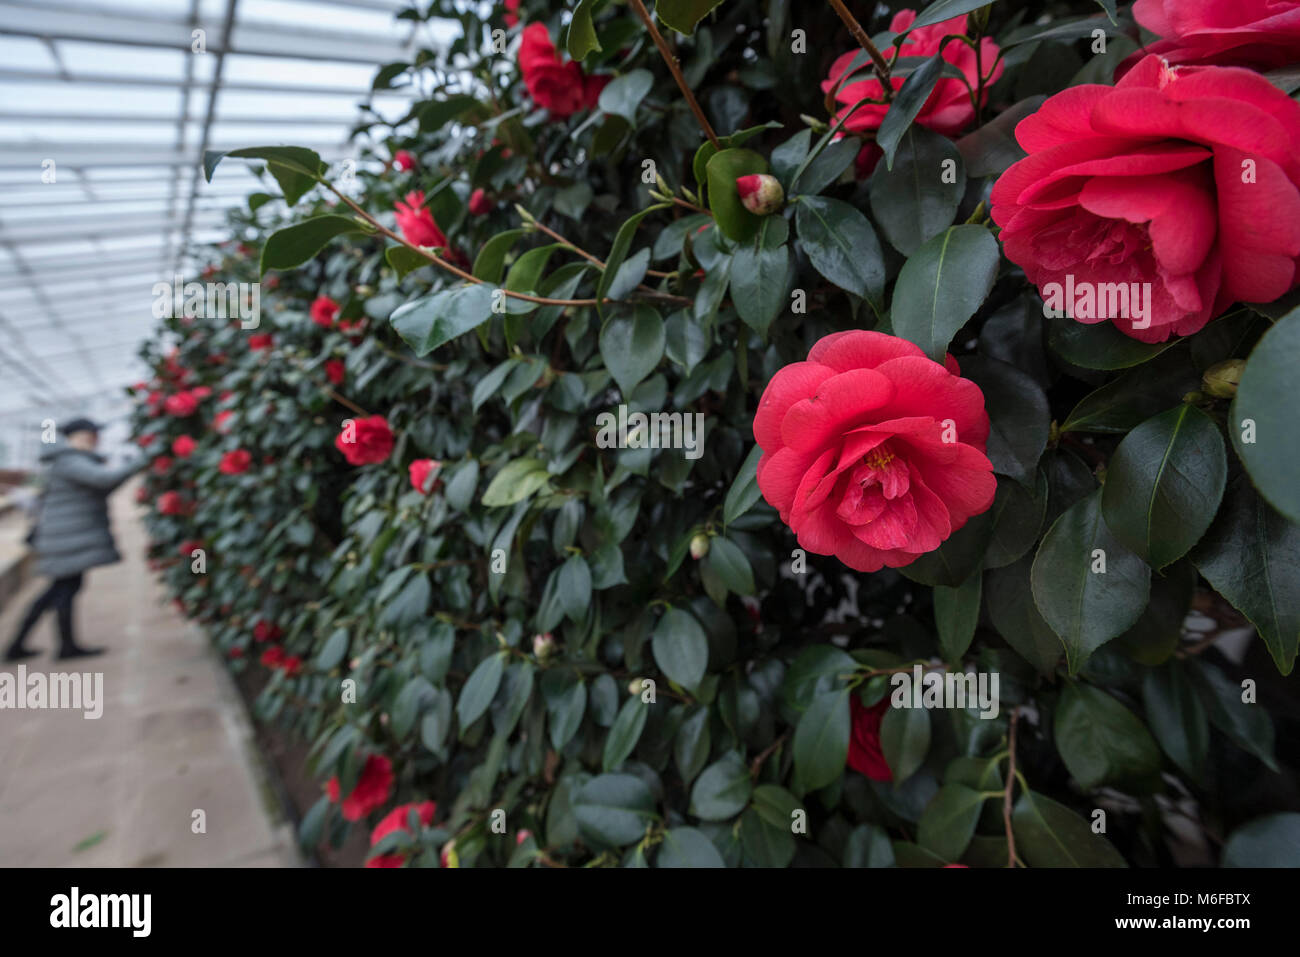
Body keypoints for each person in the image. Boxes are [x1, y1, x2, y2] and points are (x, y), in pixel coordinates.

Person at [4, 418, 143, 661]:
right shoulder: (69, 460)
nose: (96, 439)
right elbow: (103, 480)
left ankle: (29, 646)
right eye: (92, 434)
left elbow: (99, 487)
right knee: (63, 590)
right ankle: (59, 647)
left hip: (64, 536)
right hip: (64, 537)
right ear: (81, 436)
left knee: (61, 589)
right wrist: (146, 459)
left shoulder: (68, 460)